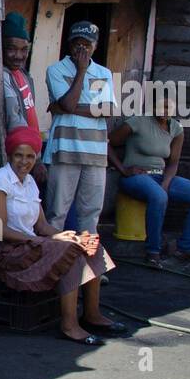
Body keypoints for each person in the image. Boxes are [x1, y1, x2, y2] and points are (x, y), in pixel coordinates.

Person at [0, 125, 126, 345]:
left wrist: (69, 236)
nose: (24, 161)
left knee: (88, 244)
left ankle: (92, 315)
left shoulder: (29, 183)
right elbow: (0, 231)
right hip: (1, 249)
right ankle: (69, 325)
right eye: (19, 155)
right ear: (10, 155)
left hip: (27, 243)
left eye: (30, 156)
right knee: (69, 254)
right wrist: (41, 241)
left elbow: (43, 226)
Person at [109, 93, 190, 267]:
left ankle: (186, 247)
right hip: (136, 177)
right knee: (159, 196)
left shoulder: (176, 128)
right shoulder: (138, 122)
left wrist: (166, 182)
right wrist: (123, 169)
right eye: (161, 106)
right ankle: (153, 251)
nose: (164, 110)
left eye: (168, 107)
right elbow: (106, 142)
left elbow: (173, 163)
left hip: (161, 176)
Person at [43, 21, 116, 233]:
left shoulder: (104, 73)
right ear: (69, 45)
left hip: (95, 152)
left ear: (96, 46)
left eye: (87, 45)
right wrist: (82, 72)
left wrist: (64, 107)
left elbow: (108, 110)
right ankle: (53, 262)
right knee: (57, 212)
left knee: (91, 213)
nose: (82, 50)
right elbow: (68, 103)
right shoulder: (55, 70)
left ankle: (86, 262)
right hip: (65, 151)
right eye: (77, 44)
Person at [0, 12, 45, 184]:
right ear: (0, 48)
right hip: (11, 157)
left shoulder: (21, 74)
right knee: (8, 208)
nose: (18, 56)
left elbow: (29, 116)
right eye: (11, 49)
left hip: (27, 156)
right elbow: (14, 119)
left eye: (23, 50)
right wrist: (32, 158)